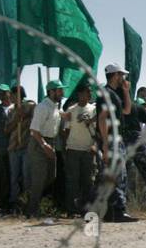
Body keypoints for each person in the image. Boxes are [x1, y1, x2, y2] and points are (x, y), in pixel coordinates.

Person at [96, 65, 146, 222]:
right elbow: (102, 118)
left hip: (121, 139)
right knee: (120, 175)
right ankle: (116, 212)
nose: (124, 78)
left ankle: (114, 211)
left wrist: (127, 91)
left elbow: (127, 111)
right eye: (122, 75)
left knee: (120, 175)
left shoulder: (117, 96)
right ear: (115, 75)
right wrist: (105, 144)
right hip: (113, 139)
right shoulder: (106, 94)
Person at [26, 79, 64, 218]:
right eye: (59, 90)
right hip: (39, 143)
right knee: (39, 178)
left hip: (51, 142)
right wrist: (44, 145)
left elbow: (60, 116)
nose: (62, 93)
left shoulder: (56, 106)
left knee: (50, 177)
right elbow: (34, 131)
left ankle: (33, 203)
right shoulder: (42, 107)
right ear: (51, 91)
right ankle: (31, 211)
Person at [61, 81, 98, 215]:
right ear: (79, 94)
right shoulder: (71, 110)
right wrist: (66, 147)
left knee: (88, 182)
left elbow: (98, 131)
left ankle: (86, 210)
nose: (89, 94)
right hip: (73, 150)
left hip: (88, 150)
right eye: (87, 91)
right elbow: (65, 130)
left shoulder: (94, 110)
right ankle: (71, 210)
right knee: (72, 181)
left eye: (90, 92)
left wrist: (94, 145)